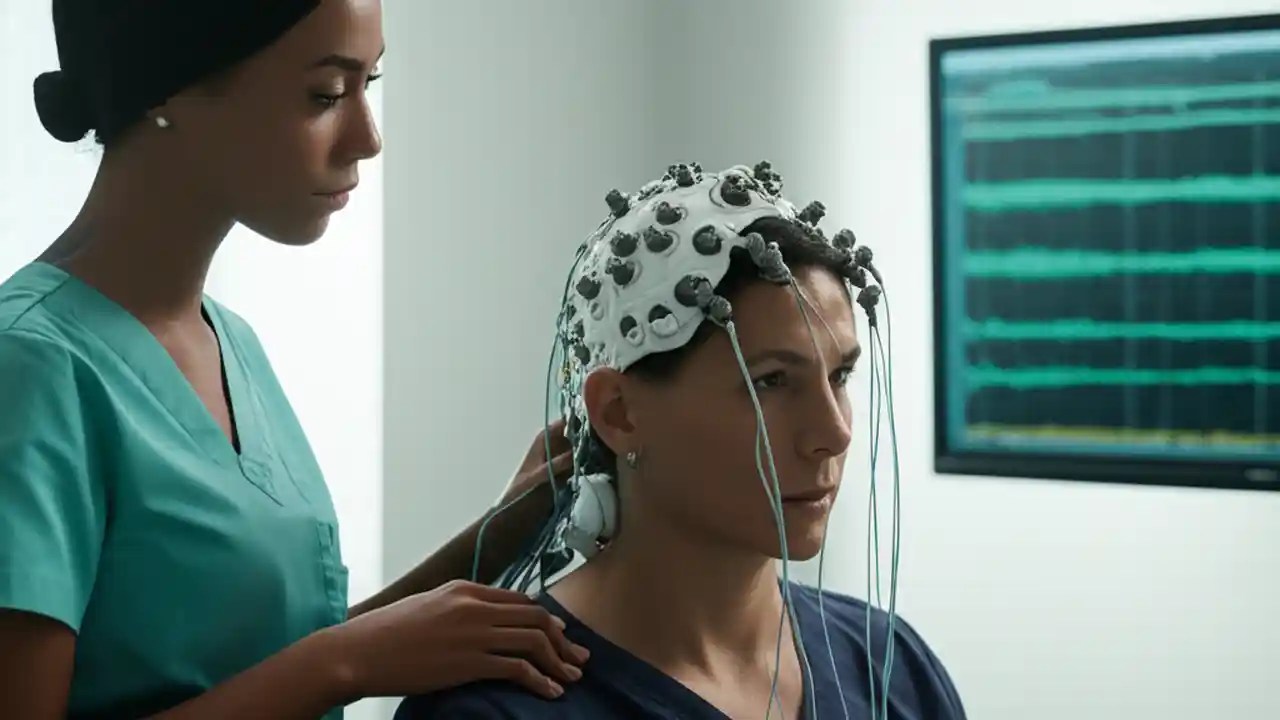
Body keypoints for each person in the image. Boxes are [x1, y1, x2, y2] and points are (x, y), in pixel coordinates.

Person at [0, 1, 589, 718]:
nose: (368, 139)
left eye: (369, 84)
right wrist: (347, 664)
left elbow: (276, 663)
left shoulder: (230, 341)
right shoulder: (30, 367)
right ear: (165, 85)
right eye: (326, 95)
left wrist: (498, 533)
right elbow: (325, 664)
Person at [395, 162, 967, 719]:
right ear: (619, 413)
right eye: (769, 382)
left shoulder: (890, 666)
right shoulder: (497, 706)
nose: (834, 433)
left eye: (839, 376)